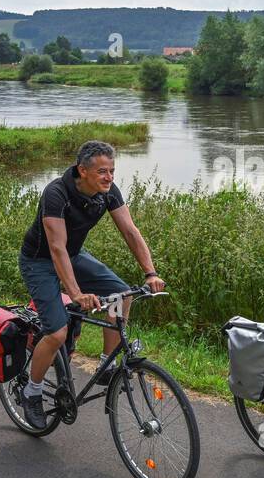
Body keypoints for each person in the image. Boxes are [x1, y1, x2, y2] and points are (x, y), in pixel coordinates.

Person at [18, 140, 165, 430]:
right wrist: (75, 293)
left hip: (74, 256)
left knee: (122, 295)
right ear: (82, 170)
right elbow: (56, 248)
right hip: (39, 261)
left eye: (112, 170)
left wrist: (150, 273)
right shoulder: (56, 193)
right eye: (102, 171)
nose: (109, 177)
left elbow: (130, 232)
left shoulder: (107, 192)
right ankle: (31, 392)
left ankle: (107, 367)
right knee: (57, 332)